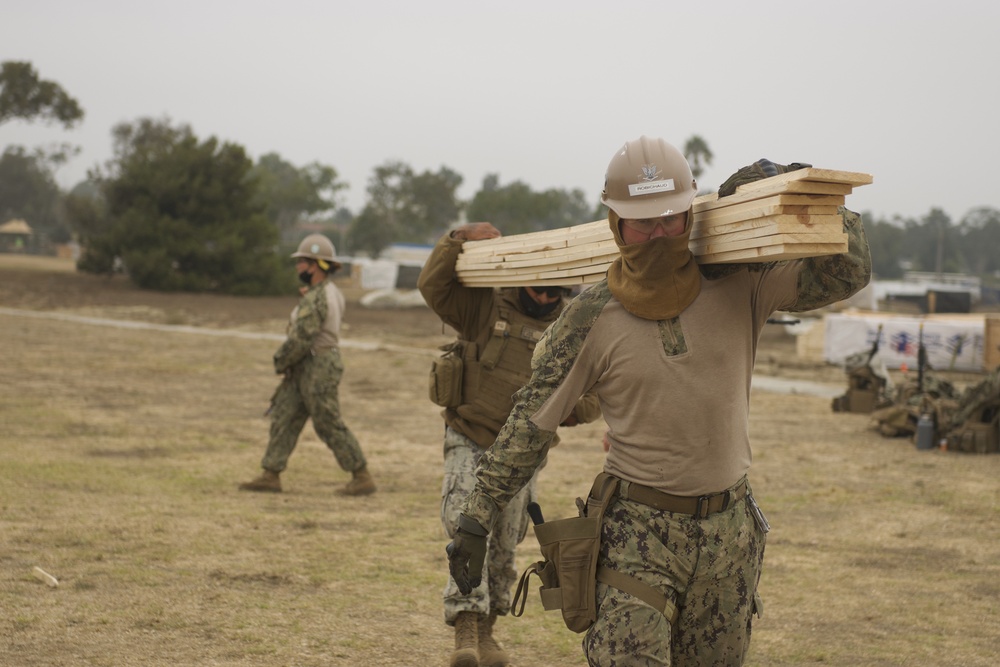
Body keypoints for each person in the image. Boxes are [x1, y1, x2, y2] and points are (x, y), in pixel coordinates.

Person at [445, 137, 871, 666]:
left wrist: (805, 192)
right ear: (615, 224)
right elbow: (529, 426)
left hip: (729, 536)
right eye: (642, 222)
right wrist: (476, 517)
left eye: (671, 218)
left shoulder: (744, 284)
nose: (658, 235)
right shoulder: (590, 318)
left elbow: (846, 272)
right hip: (634, 536)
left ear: (692, 213)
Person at [418, 221, 602, 667]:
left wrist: (569, 408)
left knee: (506, 538)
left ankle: (488, 631)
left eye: (551, 293)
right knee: (465, 522)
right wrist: (456, 239)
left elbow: (600, 391)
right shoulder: (485, 305)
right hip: (471, 434)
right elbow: (433, 286)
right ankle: (465, 626)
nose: (541, 298)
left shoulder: (575, 325)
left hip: (523, 454)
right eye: (536, 290)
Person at [239, 233, 375, 496]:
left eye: (302, 261)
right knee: (285, 414)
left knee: (327, 421)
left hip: (317, 365)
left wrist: (281, 360)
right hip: (309, 364)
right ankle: (271, 474)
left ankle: (361, 475)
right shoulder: (327, 292)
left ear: (316, 265)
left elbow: (302, 337)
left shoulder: (317, 297)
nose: (298, 267)